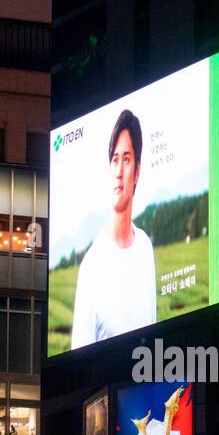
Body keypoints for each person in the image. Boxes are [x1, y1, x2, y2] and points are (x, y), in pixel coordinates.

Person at [70, 109, 157, 348]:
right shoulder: (92, 265)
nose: (119, 172)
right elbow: (80, 357)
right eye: (115, 159)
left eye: (126, 159)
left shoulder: (145, 247)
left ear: (137, 171)